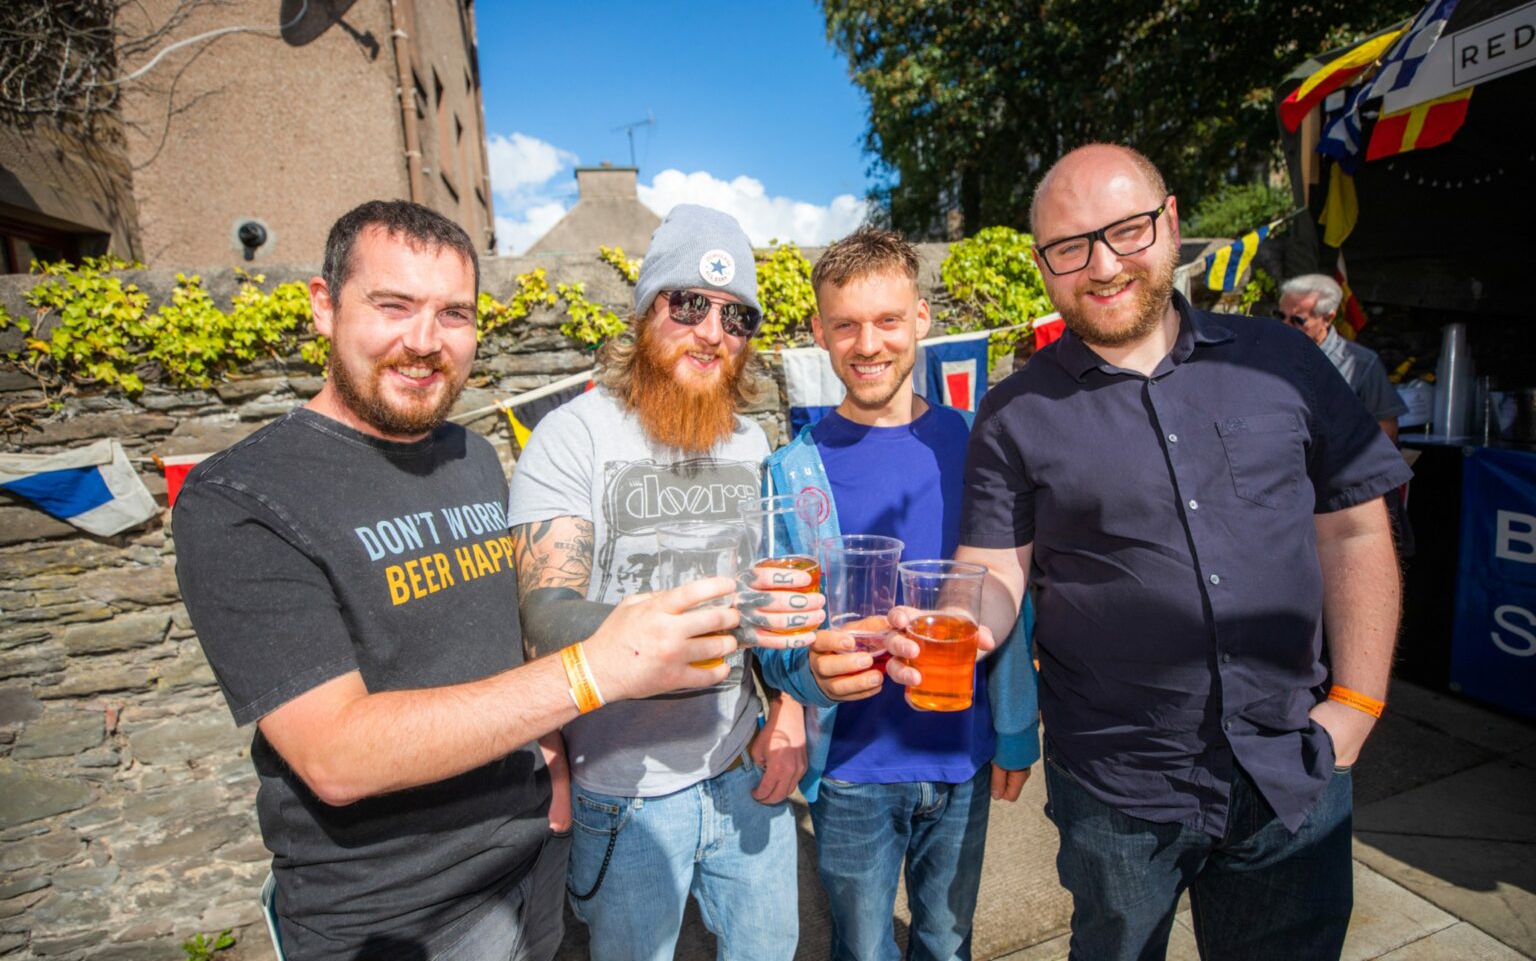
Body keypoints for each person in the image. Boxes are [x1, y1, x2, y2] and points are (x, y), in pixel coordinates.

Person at [174, 200, 745, 961]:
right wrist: (597, 669)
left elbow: (500, 638)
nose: (423, 341)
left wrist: (552, 759)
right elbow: (335, 756)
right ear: (324, 306)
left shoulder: (469, 456)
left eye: (453, 314)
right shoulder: (242, 497)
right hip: (394, 917)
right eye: (393, 306)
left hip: (532, 864)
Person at [880, 145, 1412, 960]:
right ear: (1043, 266)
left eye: (1125, 231)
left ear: (1169, 222)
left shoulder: (1285, 362)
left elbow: (1355, 528)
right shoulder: (1013, 412)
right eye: (1070, 247)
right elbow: (991, 568)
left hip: (1293, 766)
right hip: (1116, 789)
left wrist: (1359, 704)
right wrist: (960, 623)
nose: (1101, 266)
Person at [506, 204, 817, 961]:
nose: (712, 331)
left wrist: (789, 710)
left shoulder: (752, 441)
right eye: (688, 304)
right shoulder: (573, 436)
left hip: (741, 770)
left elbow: (772, 598)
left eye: (736, 316)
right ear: (647, 311)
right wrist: (690, 625)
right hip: (622, 796)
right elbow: (544, 617)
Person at [757, 227, 1039, 961]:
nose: (868, 344)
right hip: (852, 770)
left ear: (921, 318)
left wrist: (1016, 727)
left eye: (887, 320)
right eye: (845, 325)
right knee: (862, 948)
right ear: (818, 331)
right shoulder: (791, 472)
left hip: (963, 756)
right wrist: (802, 680)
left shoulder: (981, 445)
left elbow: (1012, 592)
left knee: (947, 942)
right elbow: (778, 637)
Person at [1276, 273, 1406, 442]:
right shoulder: (1268, 354)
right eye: (1280, 316)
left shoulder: (1361, 364)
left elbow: (1387, 431)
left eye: (1297, 320)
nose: (1284, 325)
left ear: (1327, 318)